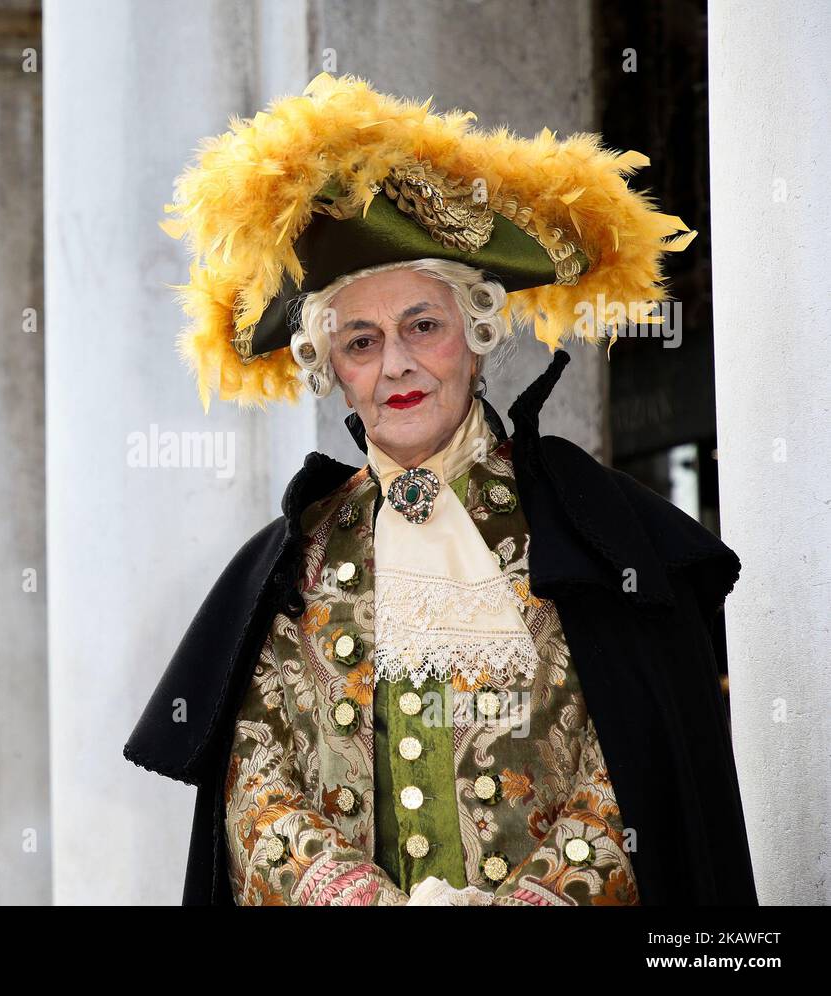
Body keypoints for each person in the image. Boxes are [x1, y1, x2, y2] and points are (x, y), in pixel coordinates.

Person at [124, 72, 756, 906]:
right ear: (332, 372)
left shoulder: (596, 532)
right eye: (360, 340)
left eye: (423, 324)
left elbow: (644, 772)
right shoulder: (295, 562)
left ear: (477, 333)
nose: (397, 364)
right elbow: (257, 788)